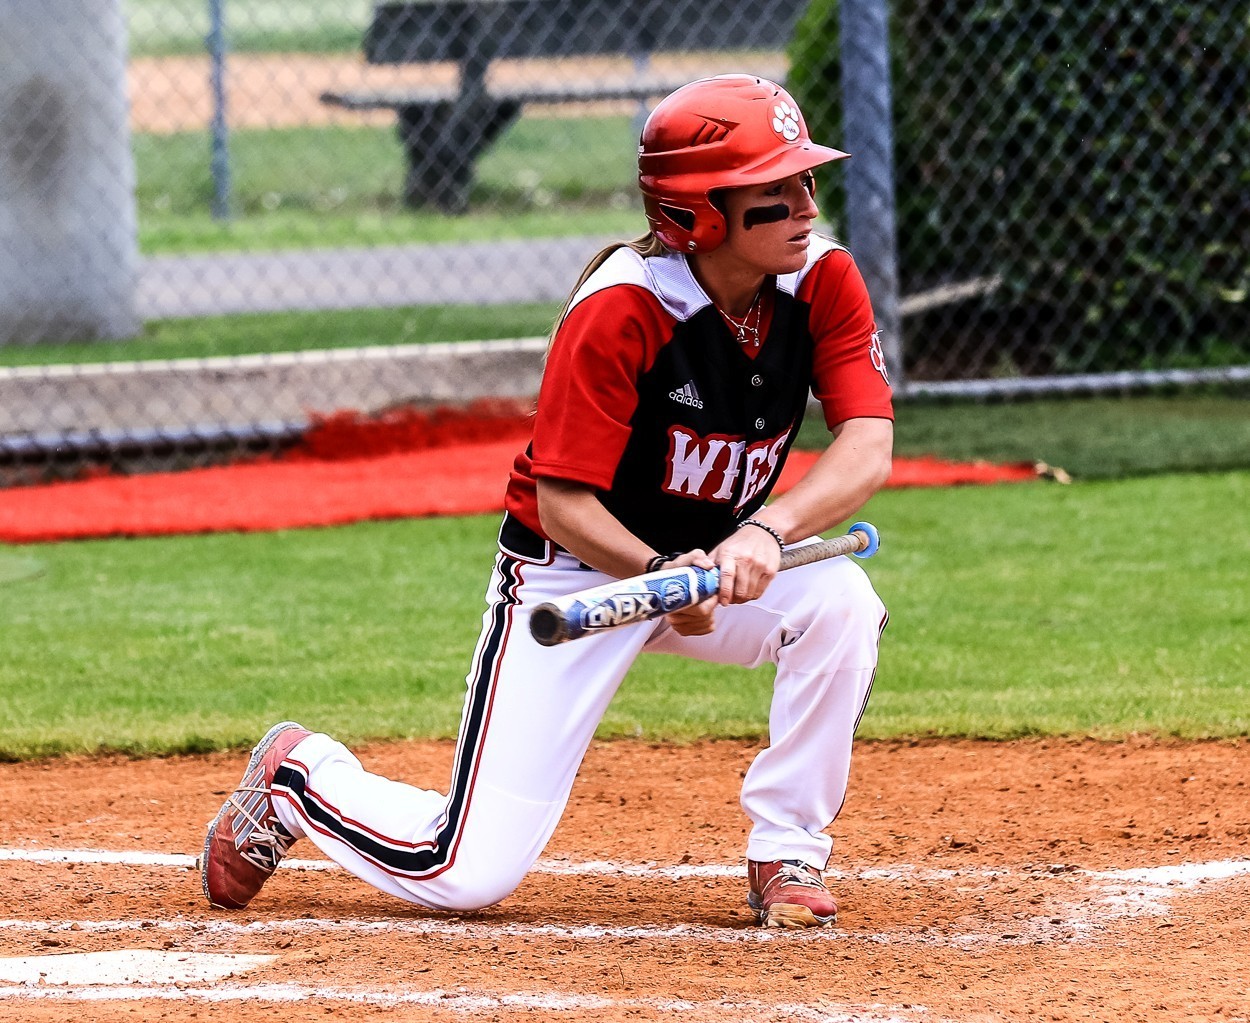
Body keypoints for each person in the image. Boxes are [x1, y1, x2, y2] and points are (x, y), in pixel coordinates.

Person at [200, 74, 894, 929]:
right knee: (464, 872)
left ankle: (787, 847)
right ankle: (297, 776)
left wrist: (766, 530)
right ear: (699, 213)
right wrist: (657, 575)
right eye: (774, 189)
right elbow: (564, 504)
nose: (806, 205)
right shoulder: (622, 309)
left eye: (806, 180)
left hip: (711, 563)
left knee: (839, 601)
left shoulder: (821, 279)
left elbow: (867, 444)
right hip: (574, 578)